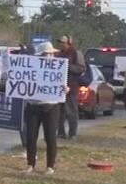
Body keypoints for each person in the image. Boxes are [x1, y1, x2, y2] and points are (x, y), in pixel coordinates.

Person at [20, 41, 64, 176]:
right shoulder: (31, 68)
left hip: (51, 107)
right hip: (33, 106)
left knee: (50, 137)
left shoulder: (59, 68)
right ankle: (30, 164)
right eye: (46, 54)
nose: (49, 57)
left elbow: (62, 85)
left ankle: (50, 166)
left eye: (51, 54)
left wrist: (65, 89)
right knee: (31, 137)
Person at [61, 35, 87, 139]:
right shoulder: (59, 53)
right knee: (60, 112)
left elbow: (81, 68)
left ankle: (72, 133)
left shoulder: (76, 53)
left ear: (69, 43)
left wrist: (67, 66)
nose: (61, 44)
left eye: (63, 42)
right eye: (60, 42)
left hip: (72, 86)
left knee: (71, 111)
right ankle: (60, 133)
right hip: (60, 87)